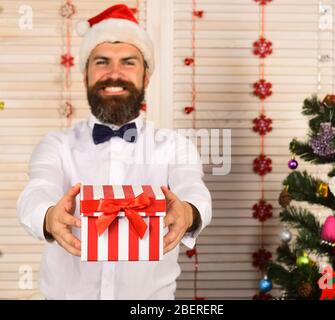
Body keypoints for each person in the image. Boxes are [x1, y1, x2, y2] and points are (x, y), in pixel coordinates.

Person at [17, 4, 212, 300]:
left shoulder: (175, 146)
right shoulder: (55, 145)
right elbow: (37, 190)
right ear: (85, 76)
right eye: (102, 62)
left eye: (129, 62)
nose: (114, 73)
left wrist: (188, 211)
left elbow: (193, 188)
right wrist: (47, 217)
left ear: (146, 77)